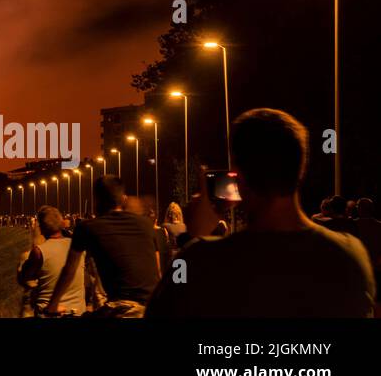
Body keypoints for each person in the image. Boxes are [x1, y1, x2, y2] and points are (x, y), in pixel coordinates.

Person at [147, 108, 375, 318]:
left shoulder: (204, 261)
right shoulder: (349, 254)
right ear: (300, 168)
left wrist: (192, 239)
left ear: (238, 176)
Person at [46, 176, 159, 317]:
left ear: (96, 200)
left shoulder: (87, 228)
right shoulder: (146, 225)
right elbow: (157, 270)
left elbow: (69, 270)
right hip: (154, 307)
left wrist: (53, 305)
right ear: (123, 199)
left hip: (122, 309)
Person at [18, 206, 86, 317]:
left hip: (48, 312)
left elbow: (25, 277)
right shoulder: (77, 246)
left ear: (41, 228)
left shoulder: (39, 252)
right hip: (77, 311)